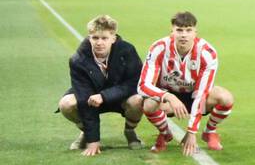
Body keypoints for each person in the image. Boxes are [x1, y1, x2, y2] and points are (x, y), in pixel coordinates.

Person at [138, 10, 234, 156]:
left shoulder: (207, 53)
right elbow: (143, 86)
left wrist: (191, 132)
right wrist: (169, 97)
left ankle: (209, 131)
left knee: (225, 97)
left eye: (188, 30)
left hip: (196, 94)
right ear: (172, 31)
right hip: (169, 97)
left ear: (195, 32)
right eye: (179, 30)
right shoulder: (159, 48)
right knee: (148, 104)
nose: (183, 35)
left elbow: (201, 94)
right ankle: (165, 133)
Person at [57, 13, 144, 155]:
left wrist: (104, 96)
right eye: (95, 38)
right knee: (66, 104)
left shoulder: (127, 50)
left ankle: (130, 131)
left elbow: (133, 83)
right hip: (91, 98)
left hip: (120, 96)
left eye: (104, 38)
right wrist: (93, 140)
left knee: (138, 100)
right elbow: (84, 98)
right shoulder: (78, 60)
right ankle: (86, 133)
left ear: (113, 38)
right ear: (89, 38)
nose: (99, 42)